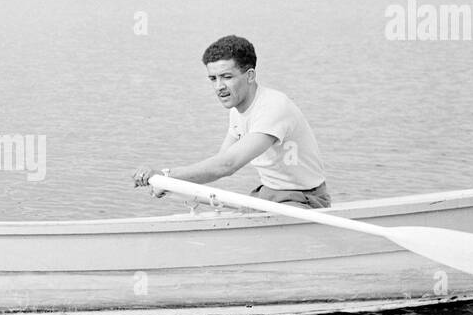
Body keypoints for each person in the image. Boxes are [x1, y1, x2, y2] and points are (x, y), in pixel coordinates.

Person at [133, 34, 331, 208]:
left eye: (227, 77)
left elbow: (228, 165)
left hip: (306, 199)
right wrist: (170, 186)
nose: (219, 87)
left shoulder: (273, 107)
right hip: (268, 192)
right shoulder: (237, 110)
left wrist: (166, 175)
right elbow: (220, 162)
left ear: (250, 76)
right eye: (213, 79)